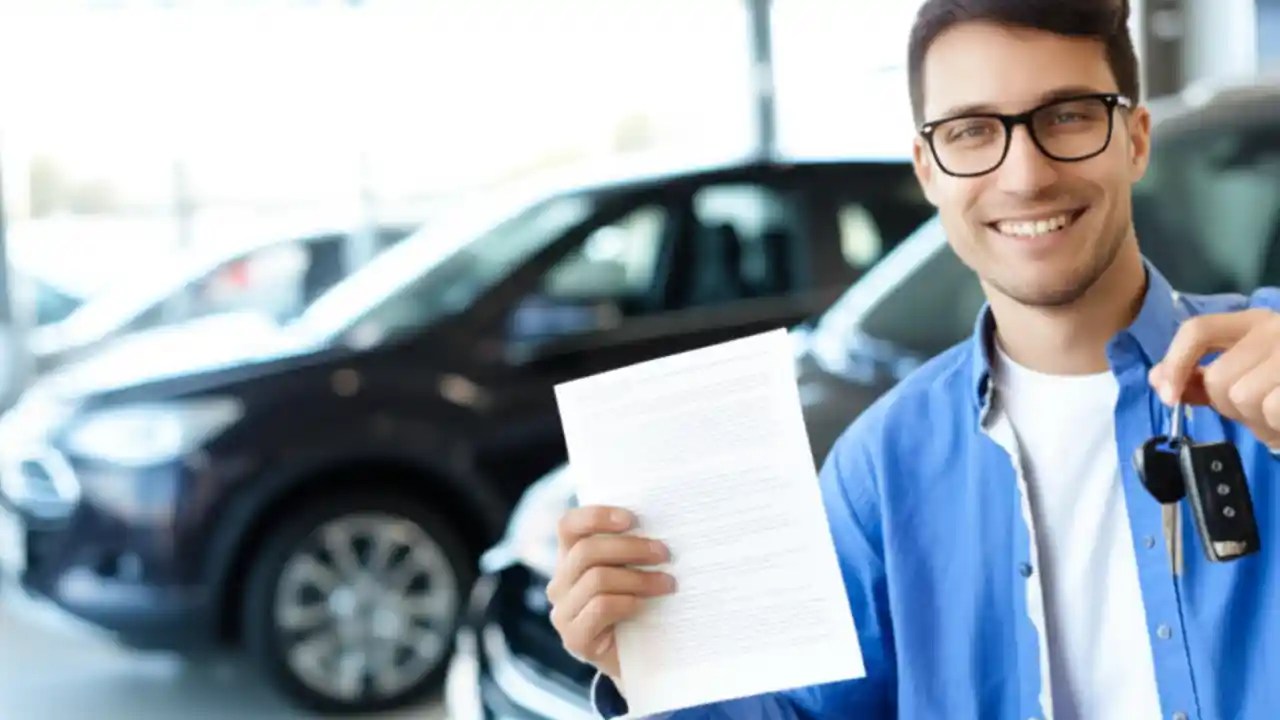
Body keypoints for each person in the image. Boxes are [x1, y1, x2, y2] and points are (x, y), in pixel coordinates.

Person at [547, 0, 1280, 717]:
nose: (1025, 175)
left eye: (1068, 116)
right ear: (928, 169)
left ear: (1135, 140)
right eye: (971, 131)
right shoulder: (881, 466)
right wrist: (655, 675)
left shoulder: (1272, 363)